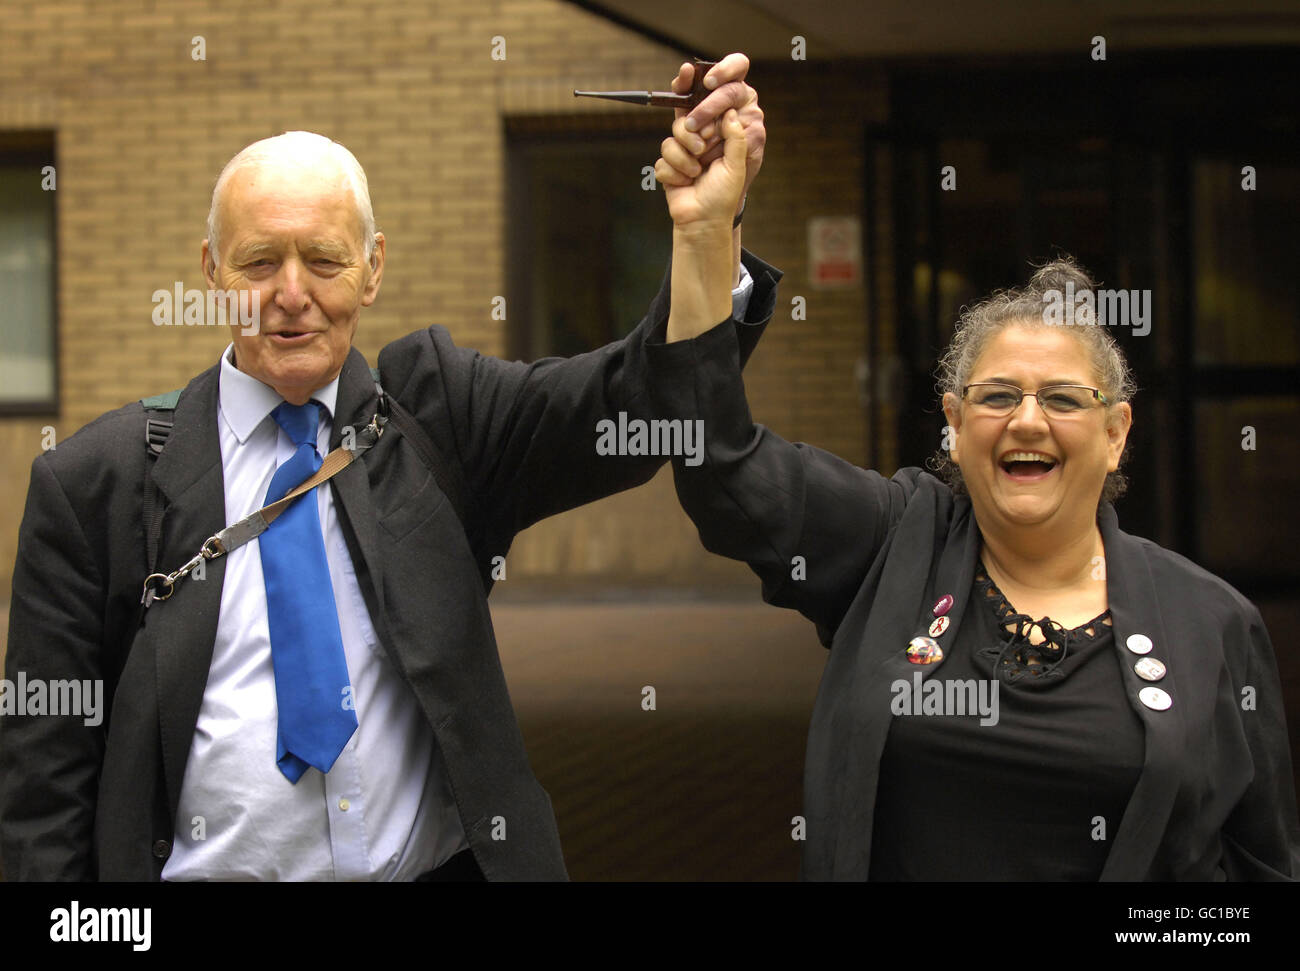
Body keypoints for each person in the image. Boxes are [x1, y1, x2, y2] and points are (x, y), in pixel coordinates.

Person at [0, 54, 772, 881]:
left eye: (324, 261)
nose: (291, 292)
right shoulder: (96, 484)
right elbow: (44, 793)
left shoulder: (442, 414)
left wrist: (700, 233)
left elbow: (643, 408)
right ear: (211, 273)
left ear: (373, 269)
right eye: (259, 262)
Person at [649, 119, 1300, 879]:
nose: (1027, 419)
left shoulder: (1212, 622)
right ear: (955, 425)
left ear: (1117, 432)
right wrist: (703, 233)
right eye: (997, 397)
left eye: (1062, 397)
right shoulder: (893, 544)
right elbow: (724, 471)